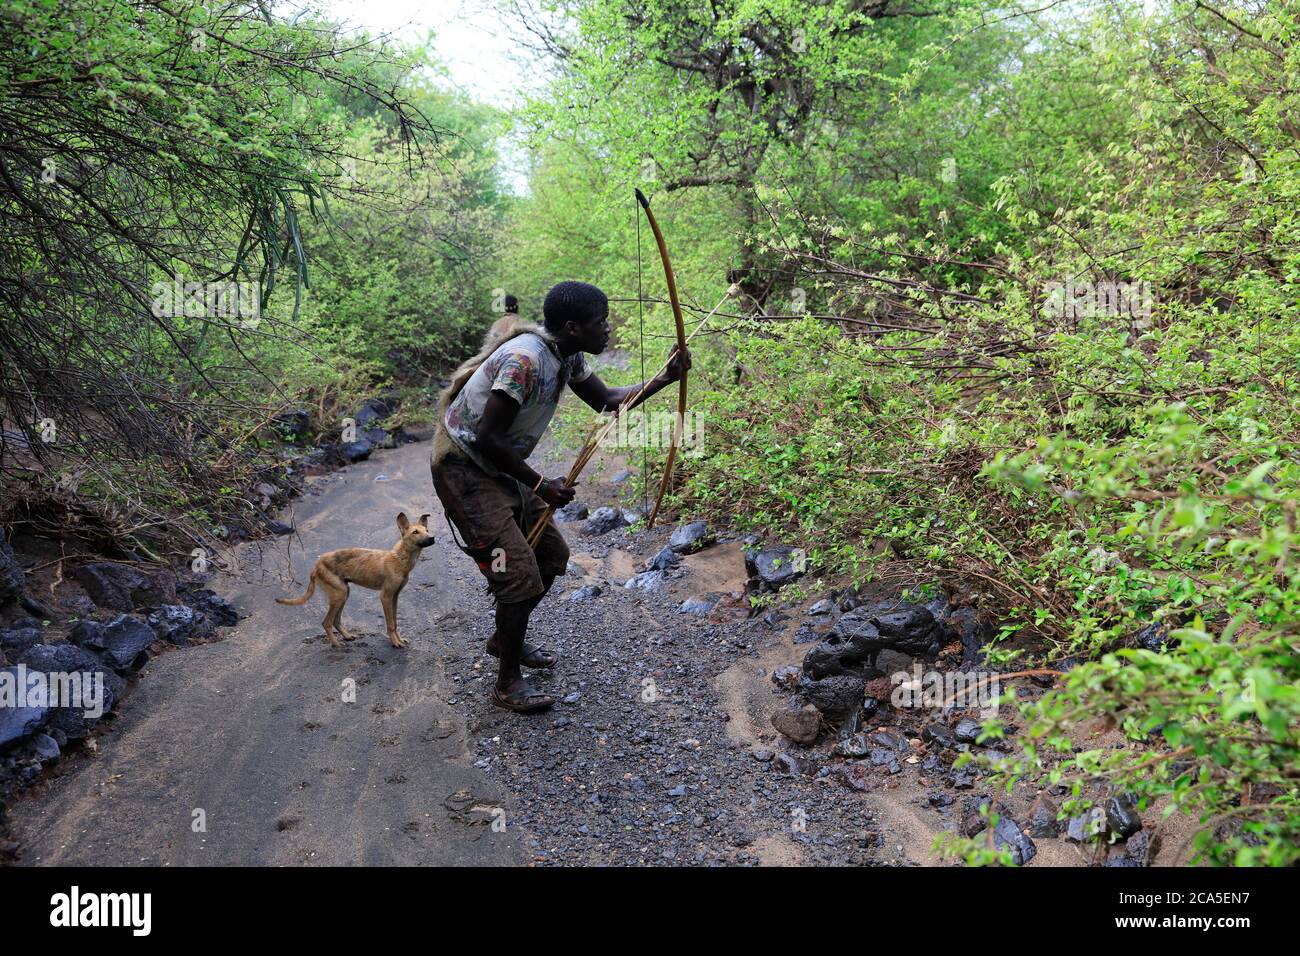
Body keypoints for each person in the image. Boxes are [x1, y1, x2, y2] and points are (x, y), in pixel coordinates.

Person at [430, 281, 689, 712]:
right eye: (599, 323)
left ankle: (505, 639)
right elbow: (487, 436)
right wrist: (538, 484)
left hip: (498, 464)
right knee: (516, 574)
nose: (607, 330)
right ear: (572, 326)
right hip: (464, 466)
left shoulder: (566, 354)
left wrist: (666, 376)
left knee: (550, 556)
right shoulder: (524, 361)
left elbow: (607, 400)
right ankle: (506, 683)